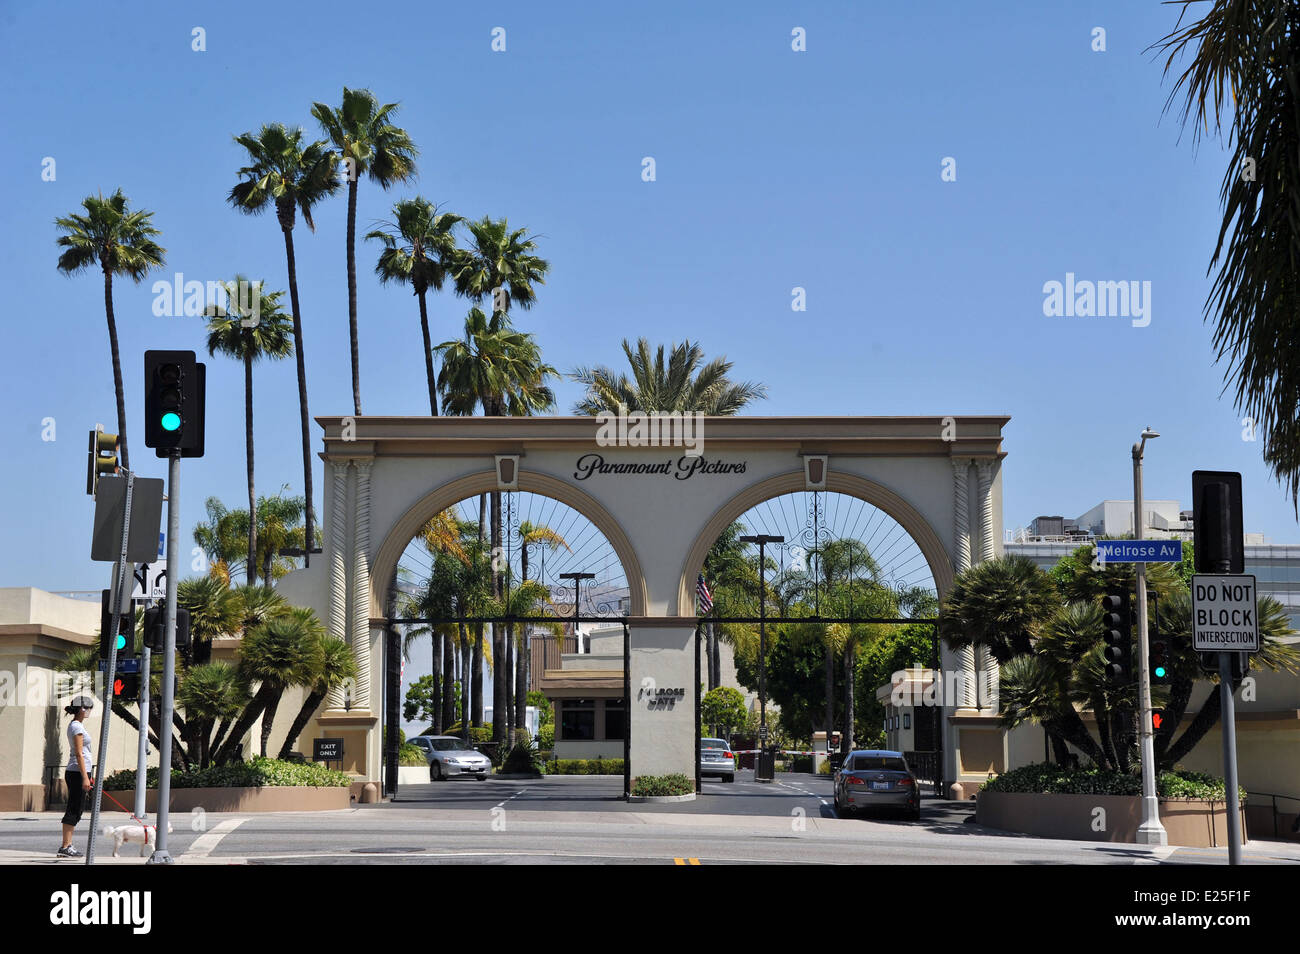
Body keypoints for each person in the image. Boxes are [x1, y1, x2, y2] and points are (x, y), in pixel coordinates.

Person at [58, 695, 96, 858]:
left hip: (80, 772)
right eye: (88, 708)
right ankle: (66, 846)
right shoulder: (76, 727)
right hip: (76, 772)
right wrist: (85, 778)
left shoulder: (77, 725)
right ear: (82, 709)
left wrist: (88, 775)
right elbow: (79, 754)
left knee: (78, 808)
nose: (89, 711)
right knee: (74, 807)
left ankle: (67, 845)